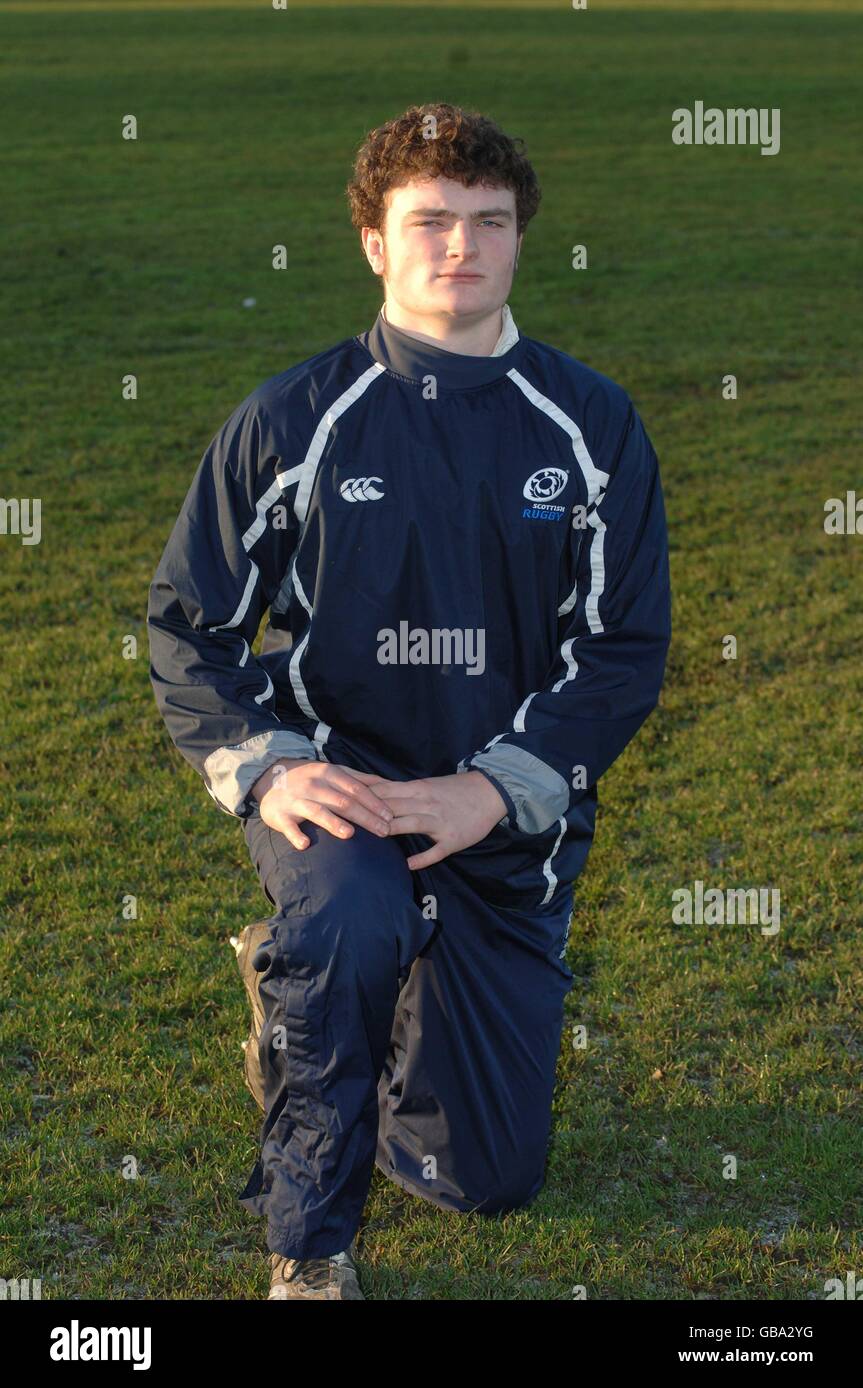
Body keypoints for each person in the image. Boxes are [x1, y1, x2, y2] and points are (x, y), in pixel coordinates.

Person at [146, 101, 672, 1301]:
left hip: (501, 816)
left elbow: (623, 645)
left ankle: (354, 997)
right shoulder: (292, 420)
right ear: (375, 245)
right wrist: (271, 766)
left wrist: (493, 788)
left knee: (481, 1175)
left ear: (518, 241)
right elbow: (188, 627)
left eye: (488, 222)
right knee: (346, 923)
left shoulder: (589, 426)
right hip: (343, 784)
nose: (460, 246)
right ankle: (311, 1242)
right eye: (427, 221)